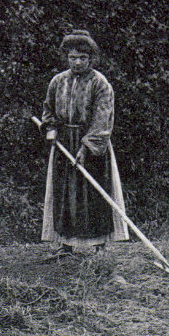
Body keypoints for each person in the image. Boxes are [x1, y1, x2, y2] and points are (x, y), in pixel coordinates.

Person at [40, 29, 129, 257]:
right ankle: (65, 244)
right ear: (66, 57)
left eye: (83, 58)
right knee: (65, 194)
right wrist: (50, 128)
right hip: (63, 144)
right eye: (72, 57)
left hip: (92, 144)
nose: (77, 62)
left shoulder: (100, 83)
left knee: (93, 193)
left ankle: (99, 246)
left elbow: (103, 118)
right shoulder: (58, 81)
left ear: (91, 58)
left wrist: (86, 147)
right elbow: (48, 109)